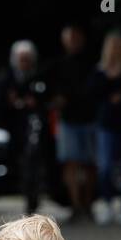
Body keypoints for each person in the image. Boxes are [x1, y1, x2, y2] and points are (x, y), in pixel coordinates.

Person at [87, 31, 121, 224]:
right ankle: (108, 204)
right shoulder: (99, 71)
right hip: (107, 124)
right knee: (105, 167)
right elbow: (92, 94)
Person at [47, 24, 98, 221]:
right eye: (69, 39)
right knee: (70, 162)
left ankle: (88, 203)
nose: (73, 43)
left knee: (90, 163)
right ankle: (76, 205)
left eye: (75, 38)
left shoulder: (91, 63)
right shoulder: (59, 65)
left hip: (89, 118)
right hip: (68, 120)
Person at [0, 40, 48, 215]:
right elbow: (1, 103)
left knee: (33, 161)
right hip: (14, 129)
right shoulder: (7, 78)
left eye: (27, 58)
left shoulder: (39, 76)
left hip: (35, 127)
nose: (24, 62)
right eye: (21, 58)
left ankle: (33, 198)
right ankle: (26, 194)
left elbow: (43, 99)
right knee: (20, 163)